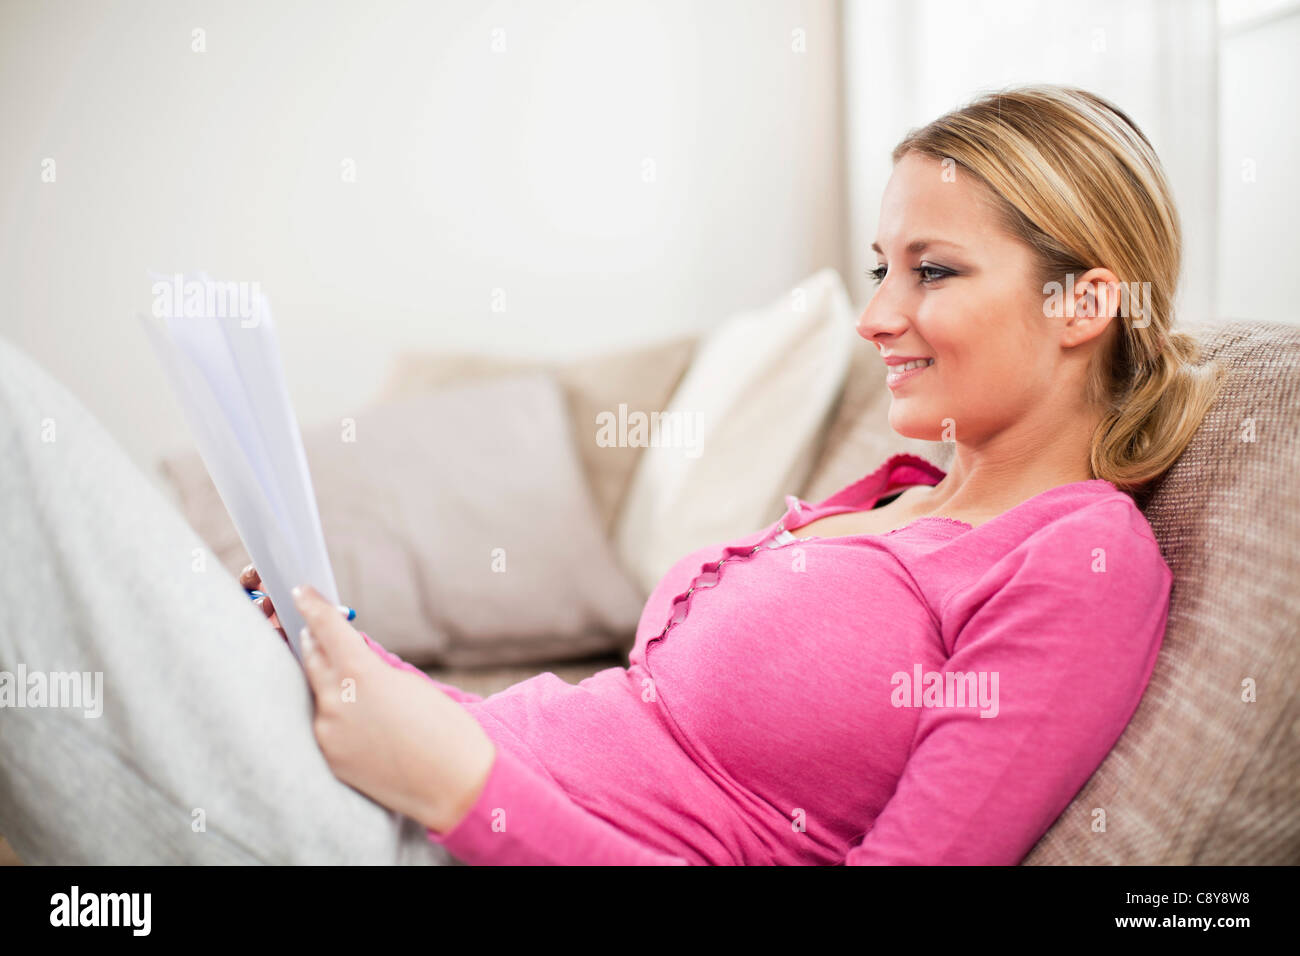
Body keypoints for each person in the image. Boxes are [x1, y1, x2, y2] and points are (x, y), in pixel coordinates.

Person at [0, 85, 1222, 865]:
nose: (876, 315)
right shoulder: (891, 492)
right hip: (424, 791)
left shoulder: (1079, 557)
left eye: (932, 271)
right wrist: (370, 673)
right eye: (878, 267)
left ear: (1083, 303)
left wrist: (459, 785)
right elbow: (614, 735)